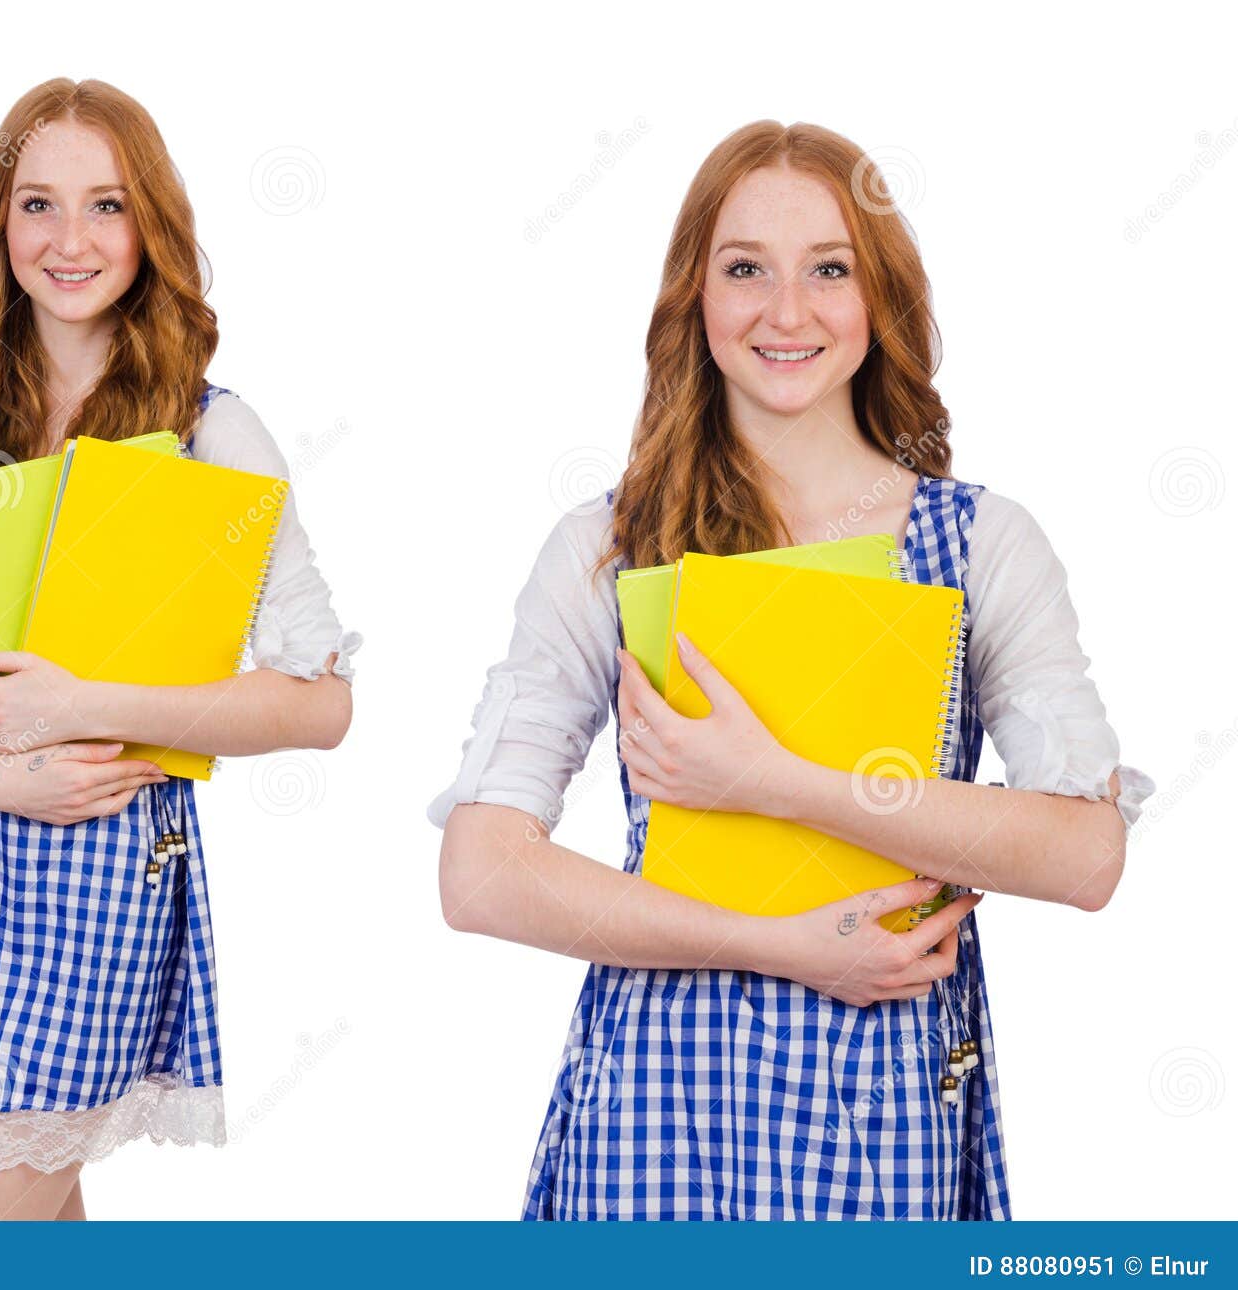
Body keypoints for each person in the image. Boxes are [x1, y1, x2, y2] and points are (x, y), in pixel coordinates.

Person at [430, 120, 1153, 1221]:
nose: (786, 312)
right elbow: (479, 877)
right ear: (695, 300)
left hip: (885, 1115)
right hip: (654, 1117)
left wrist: (770, 780)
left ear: (880, 301)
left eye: (829, 270)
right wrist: (783, 948)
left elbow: (1084, 856)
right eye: (744, 271)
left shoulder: (982, 547)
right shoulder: (608, 548)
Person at [0, 78, 361, 1220]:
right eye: (38, 204)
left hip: (105, 872)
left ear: (152, 230)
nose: (69, 241)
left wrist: (89, 703)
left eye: (106, 206)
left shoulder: (208, 432)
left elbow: (321, 703)